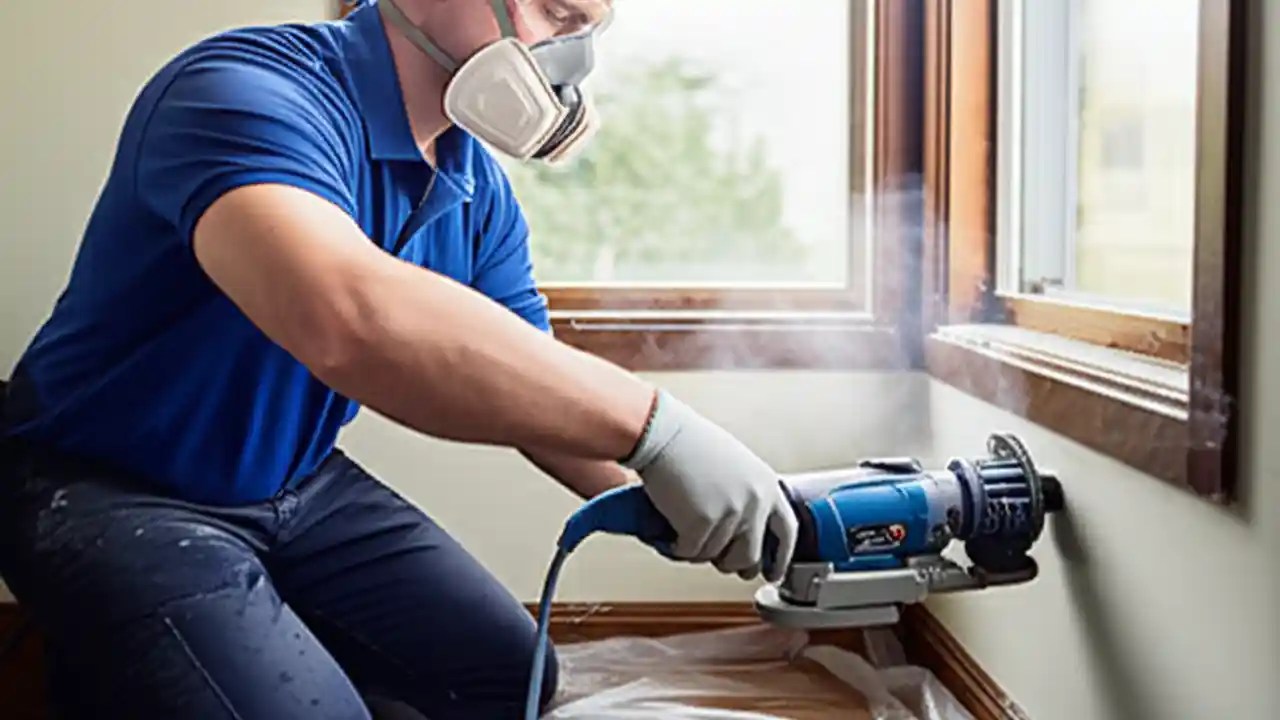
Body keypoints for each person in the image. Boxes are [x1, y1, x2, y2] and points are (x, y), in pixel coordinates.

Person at [0, 0, 800, 718]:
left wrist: (698, 502)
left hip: (295, 480)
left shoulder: (473, 188)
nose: (571, 62)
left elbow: (529, 389)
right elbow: (348, 314)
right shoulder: (241, 92)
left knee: (510, 679)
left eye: (586, 33)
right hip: (106, 484)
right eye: (557, 16)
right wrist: (659, 429)